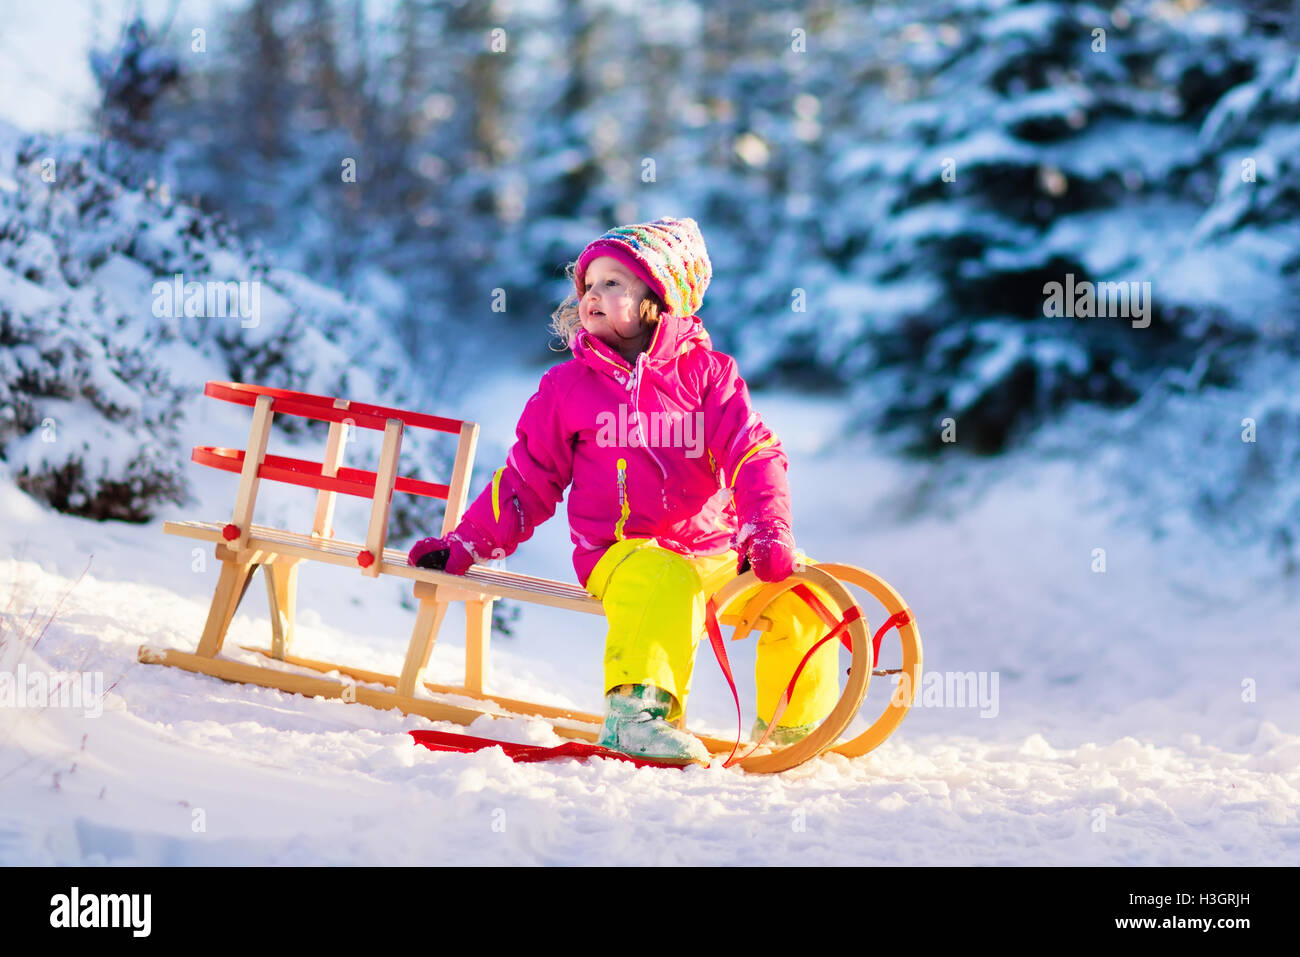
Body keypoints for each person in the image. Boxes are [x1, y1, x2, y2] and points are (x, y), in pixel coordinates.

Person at [407, 217, 838, 763]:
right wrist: (468, 542)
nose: (592, 296)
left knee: (805, 590)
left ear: (660, 298)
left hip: (716, 551)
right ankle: (636, 716)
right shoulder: (566, 388)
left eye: (612, 283)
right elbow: (527, 478)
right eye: (587, 286)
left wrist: (766, 529)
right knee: (662, 576)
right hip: (622, 553)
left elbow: (754, 453)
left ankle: (792, 728)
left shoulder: (710, 376)